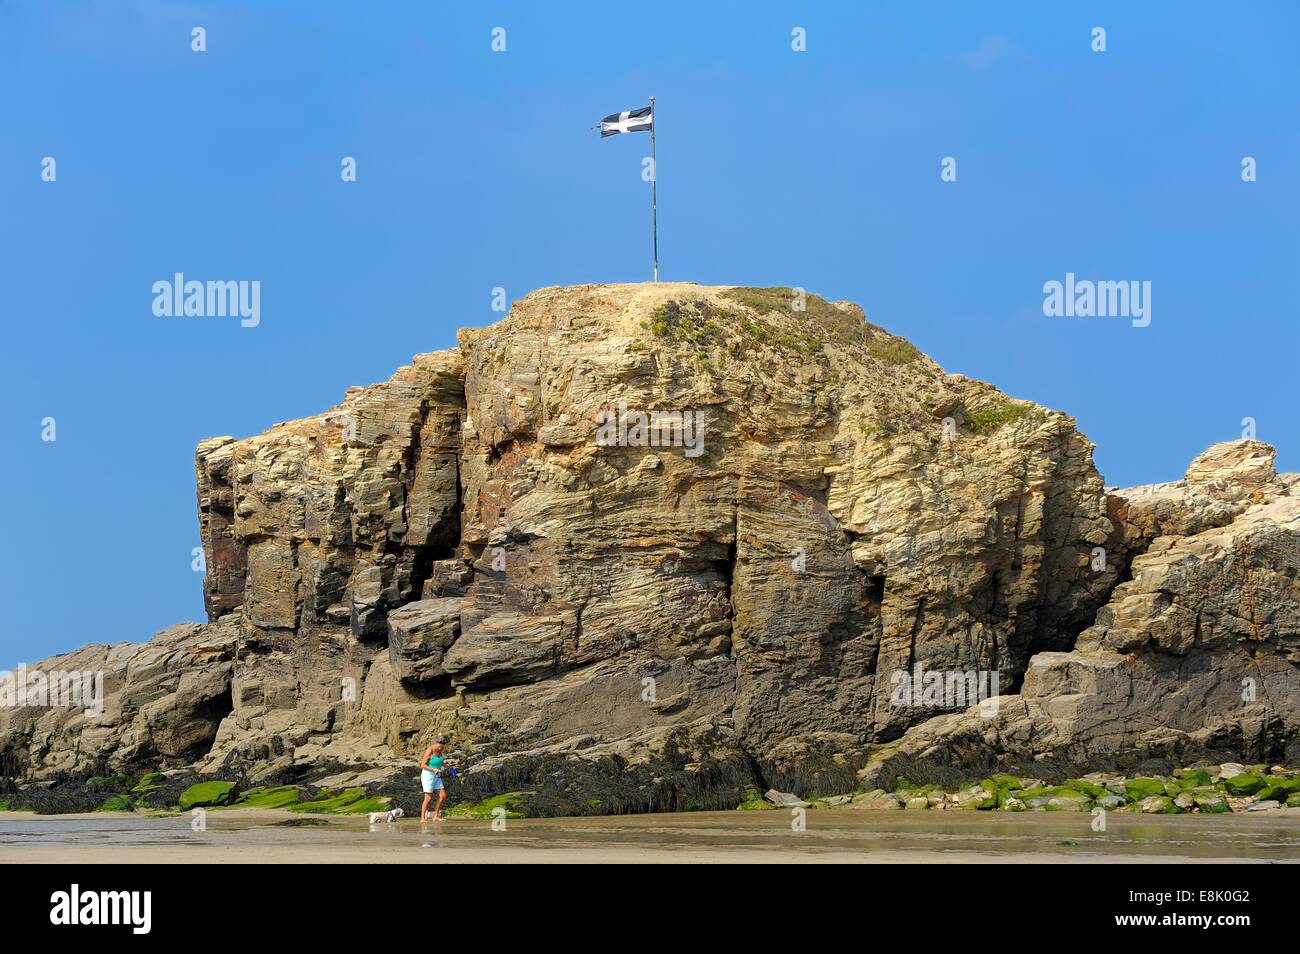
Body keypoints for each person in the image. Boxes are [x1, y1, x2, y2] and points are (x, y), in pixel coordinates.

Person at [419, 736, 450, 821]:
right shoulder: (430, 750)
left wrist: (448, 767)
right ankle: (422, 818)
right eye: (440, 743)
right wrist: (434, 769)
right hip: (428, 776)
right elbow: (423, 765)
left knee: (443, 796)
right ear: (436, 742)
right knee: (428, 798)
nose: (441, 746)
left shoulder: (440, 750)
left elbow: (439, 761)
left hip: (437, 775)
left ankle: (436, 816)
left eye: (443, 744)